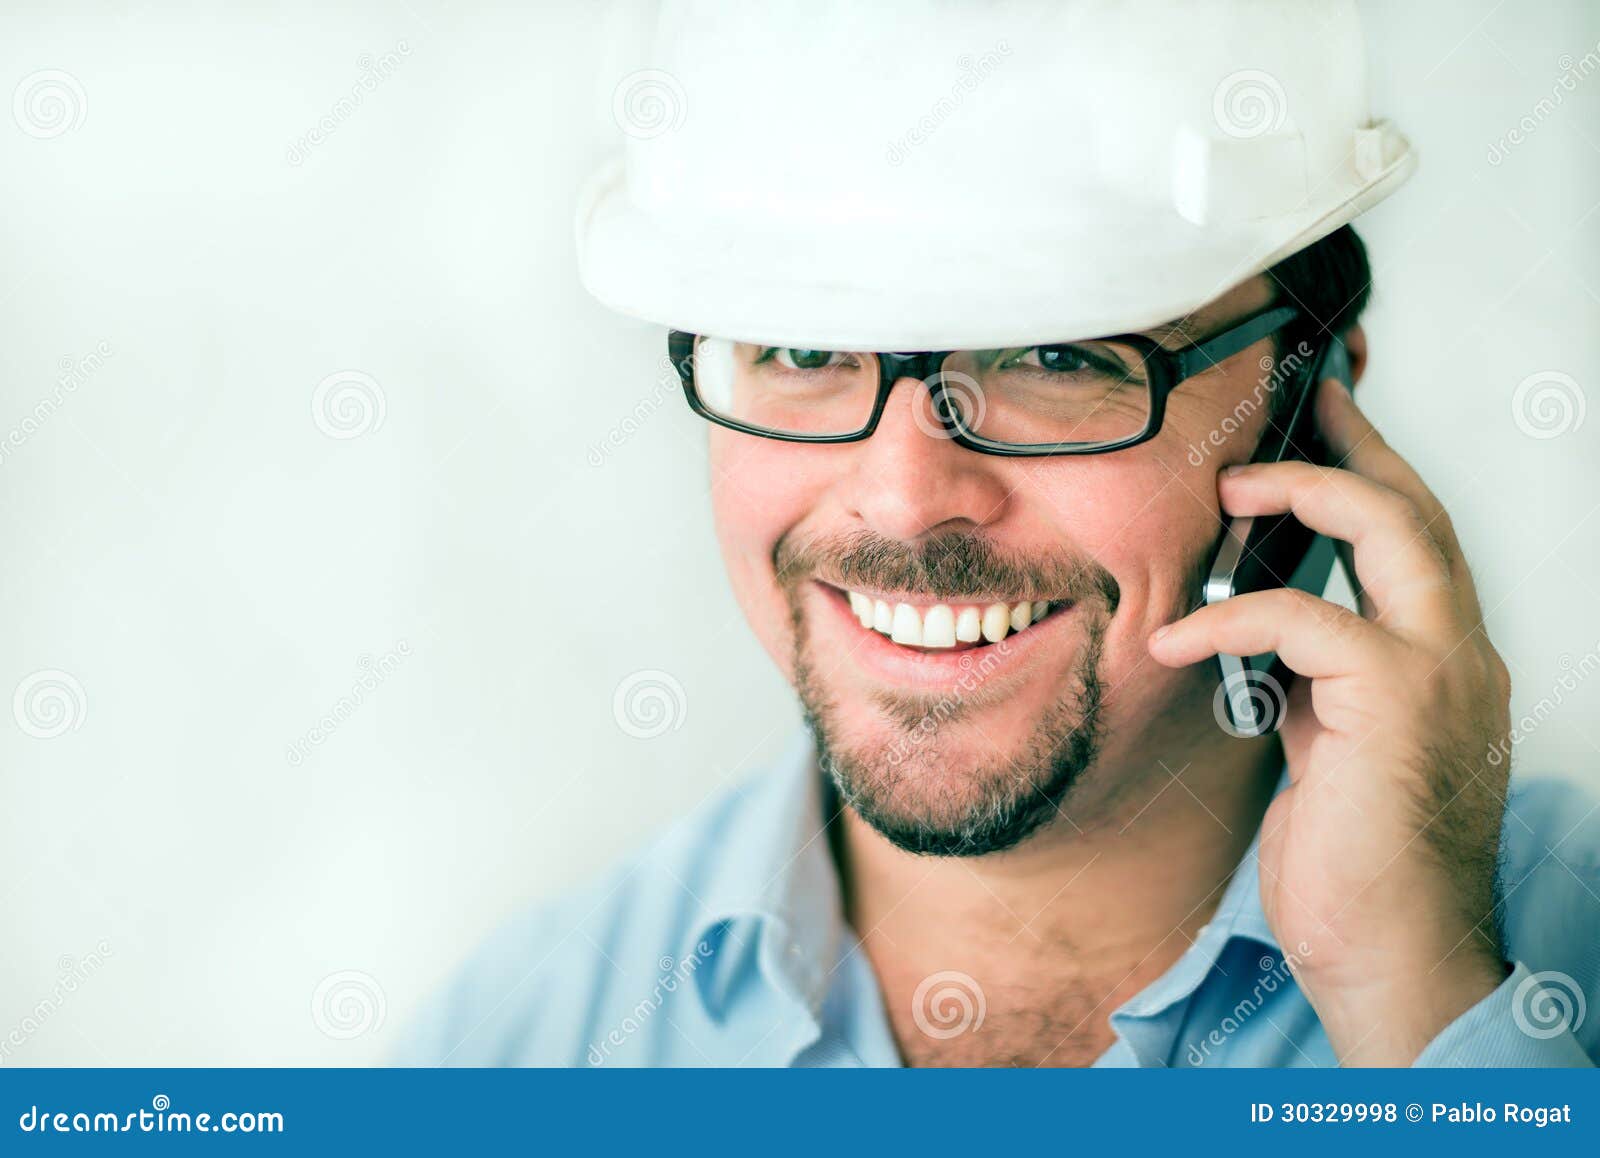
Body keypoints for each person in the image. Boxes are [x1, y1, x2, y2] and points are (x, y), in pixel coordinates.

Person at [396, 1, 1600, 1067]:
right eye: (803, 351)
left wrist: (1416, 1006)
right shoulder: (521, 1046)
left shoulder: (1552, 969)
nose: (905, 498)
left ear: (1309, 398)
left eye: (1057, 358)